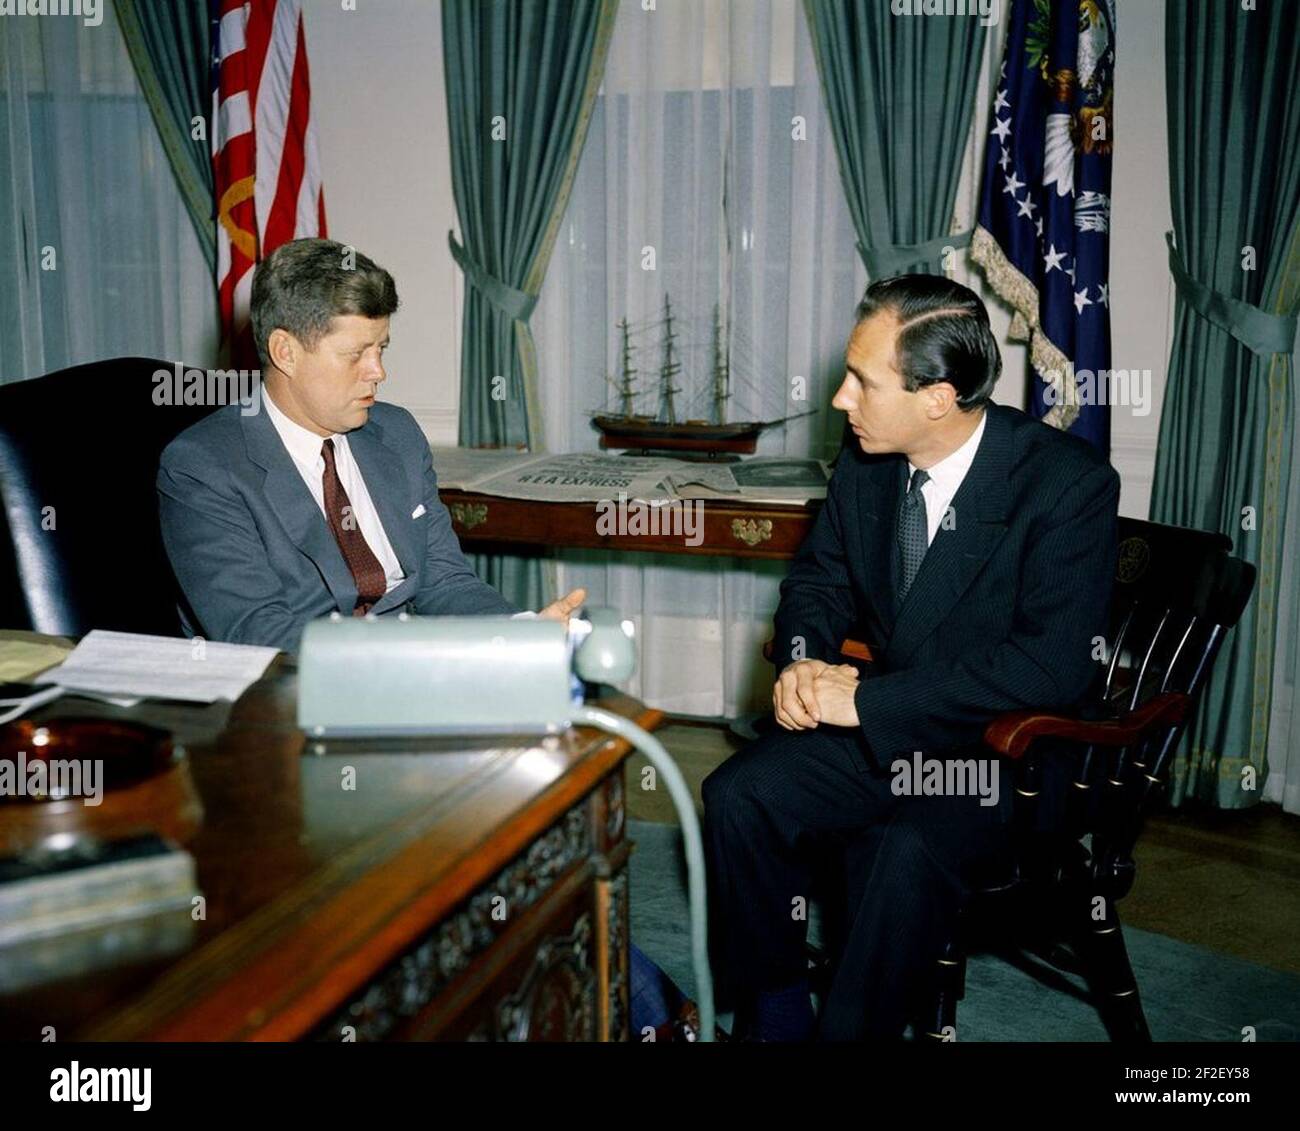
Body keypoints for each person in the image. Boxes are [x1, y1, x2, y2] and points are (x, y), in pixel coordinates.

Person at [702, 274, 1120, 1041]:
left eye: (862, 380)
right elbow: (818, 581)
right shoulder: (869, 459)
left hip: (1010, 758)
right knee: (740, 795)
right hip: (894, 728)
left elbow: (1051, 667)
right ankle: (774, 1014)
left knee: (897, 849)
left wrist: (860, 701)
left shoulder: (1067, 484)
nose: (838, 398)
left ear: (937, 397)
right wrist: (802, 661)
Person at [158, 238, 583, 651]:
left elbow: (444, 580)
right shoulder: (203, 466)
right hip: (290, 692)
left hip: (413, 671)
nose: (378, 371)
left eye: (381, 348)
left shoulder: (396, 433)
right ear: (285, 352)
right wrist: (426, 652)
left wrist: (517, 631)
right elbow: (260, 634)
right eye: (356, 353)